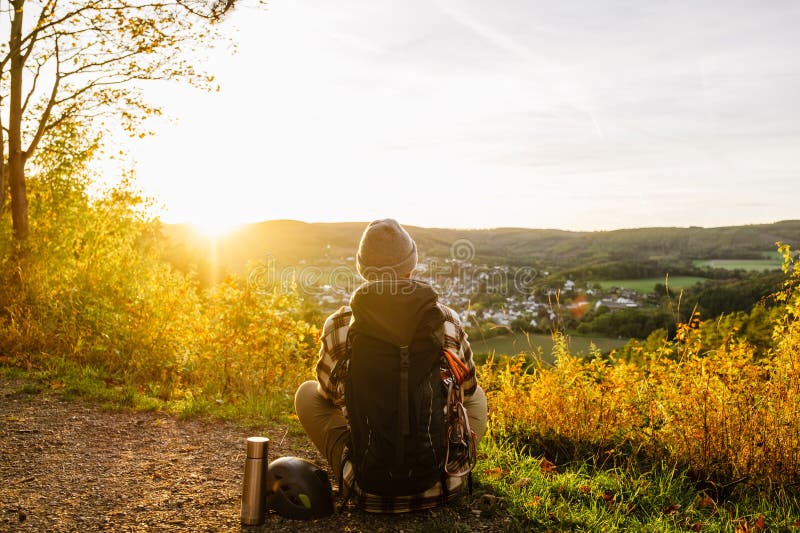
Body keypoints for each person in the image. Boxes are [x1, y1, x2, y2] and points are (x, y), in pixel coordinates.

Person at [295, 218, 487, 512]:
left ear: (363, 270)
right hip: (445, 485)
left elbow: (328, 396)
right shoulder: (445, 319)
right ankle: (454, 461)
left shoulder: (341, 324)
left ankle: (361, 458)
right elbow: (469, 389)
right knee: (478, 397)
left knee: (307, 394)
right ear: (412, 265)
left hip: (365, 487)